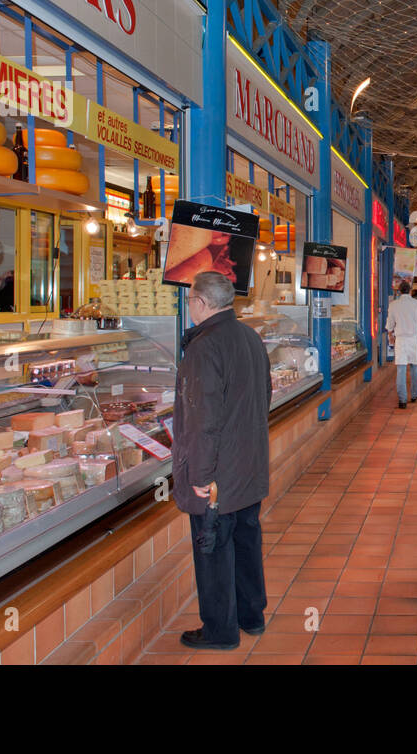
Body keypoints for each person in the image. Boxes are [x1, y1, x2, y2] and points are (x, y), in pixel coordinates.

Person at [173, 272, 271, 650]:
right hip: (248, 466)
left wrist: (199, 475)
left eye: (189, 301)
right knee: (246, 541)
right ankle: (251, 616)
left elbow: (202, 420)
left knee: (213, 549)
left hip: (216, 474)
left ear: (200, 302)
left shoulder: (203, 348)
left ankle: (220, 630)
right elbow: (264, 396)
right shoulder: (250, 337)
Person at [386, 280, 417, 408]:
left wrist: (390, 336)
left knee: (401, 369)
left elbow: (390, 325)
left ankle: (402, 400)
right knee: (414, 367)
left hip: (401, 340)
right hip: (414, 339)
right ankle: (415, 394)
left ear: (399, 291)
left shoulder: (393, 305)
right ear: (410, 290)